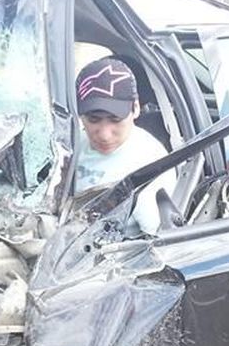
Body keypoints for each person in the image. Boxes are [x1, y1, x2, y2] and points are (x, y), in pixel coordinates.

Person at [73, 56, 175, 234]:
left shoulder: (150, 163)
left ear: (135, 108)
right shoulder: (71, 147)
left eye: (115, 119)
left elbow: (158, 240)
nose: (104, 135)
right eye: (93, 120)